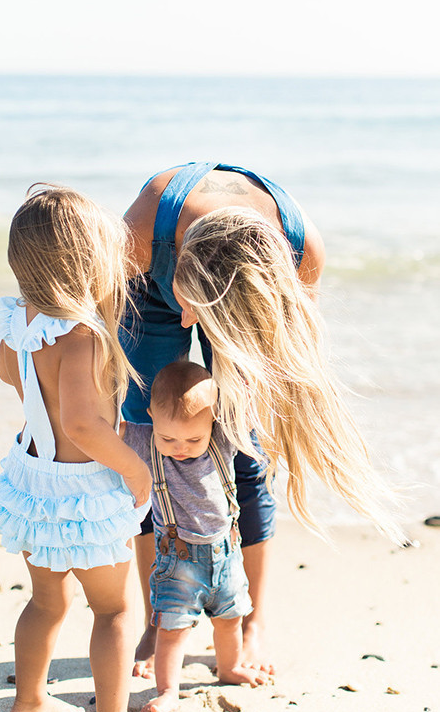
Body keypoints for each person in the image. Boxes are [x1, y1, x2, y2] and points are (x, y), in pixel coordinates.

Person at [120, 161, 403, 679]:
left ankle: (251, 620)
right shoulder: (140, 232)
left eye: (196, 313)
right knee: (146, 442)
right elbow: (91, 311)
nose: (190, 323)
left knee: (245, 449)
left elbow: (297, 359)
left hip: (251, 303)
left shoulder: (300, 251)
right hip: (147, 289)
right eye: (191, 308)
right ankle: (157, 618)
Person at [0, 184, 159, 712]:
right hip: (83, 488)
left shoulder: (18, 322)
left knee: (46, 601)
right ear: (90, 263)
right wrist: (136, 471)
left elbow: (9, 375)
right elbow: (86, 427)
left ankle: (29, 701)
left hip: (33, 477)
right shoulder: (82, 334)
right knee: (112, 609)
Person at [121, 360, 267, 712]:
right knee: (170, 629)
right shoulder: (142, 438)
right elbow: (103, 427)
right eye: (168, 438)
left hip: (227, 553)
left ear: (214, 421)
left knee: (230, 619)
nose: (180, 447)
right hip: (178, 561)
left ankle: (229, 667)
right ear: (151, 414)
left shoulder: (223, 436)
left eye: (192, 439)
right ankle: (168, 690)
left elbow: (253, 403)